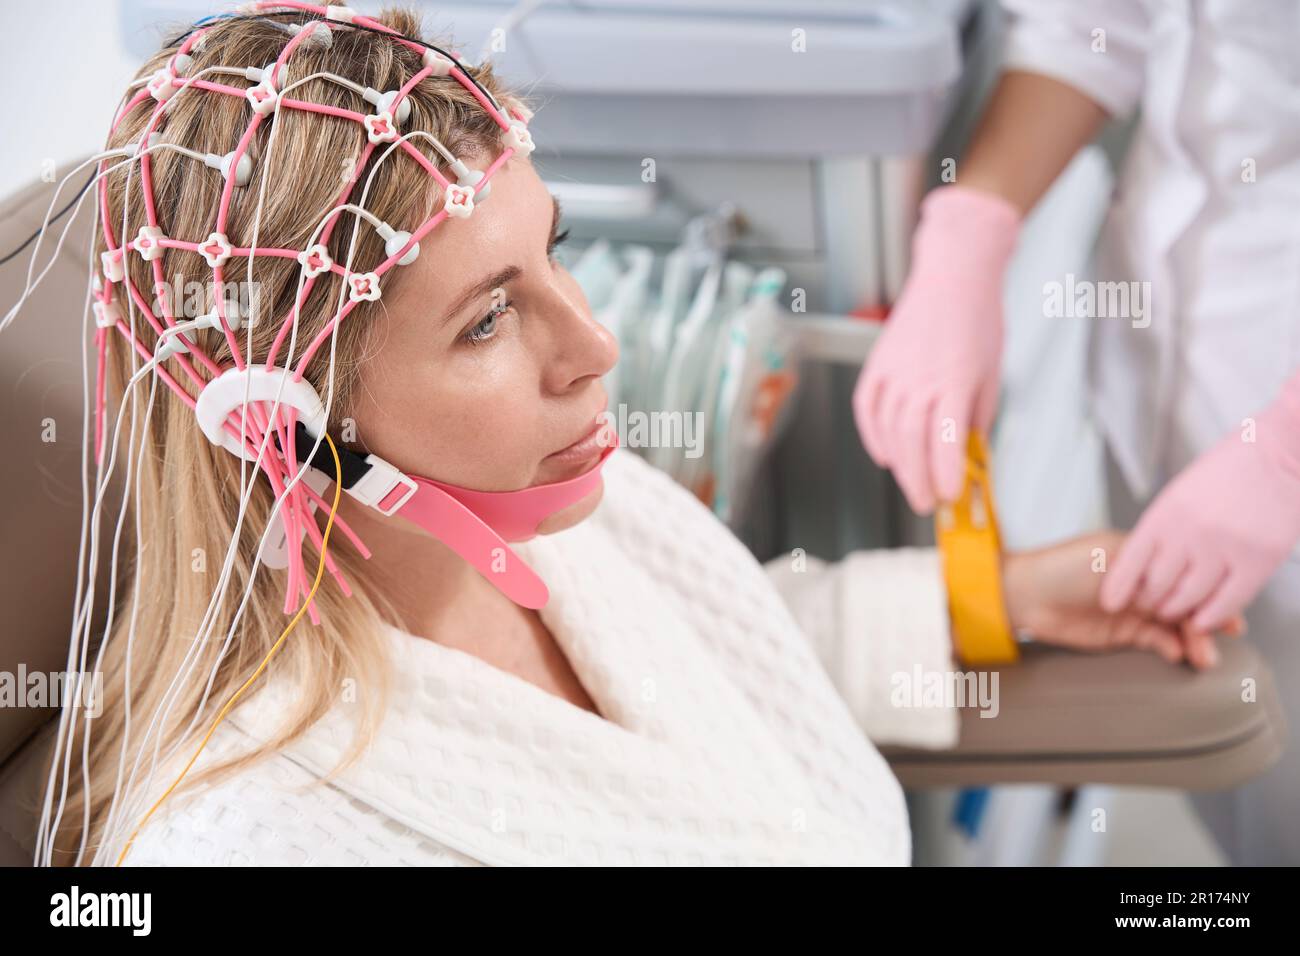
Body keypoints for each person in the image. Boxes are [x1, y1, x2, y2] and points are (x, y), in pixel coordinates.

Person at [36, 3, 1202, 868]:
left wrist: (989, 598)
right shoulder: (263, 837)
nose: (592, 343)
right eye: (488, 317)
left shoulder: (543, 505)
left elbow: (714, 679)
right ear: (280, 424)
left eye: (555, 251)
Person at [853, 0, 1300, 864]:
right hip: (1171, 383)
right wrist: (968, 233)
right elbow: (1093, 26)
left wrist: (1285, 447)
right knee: (1248, 799)